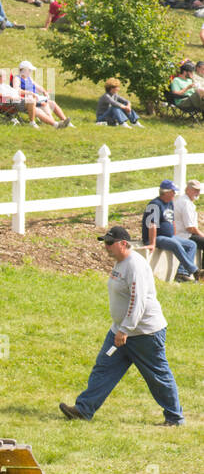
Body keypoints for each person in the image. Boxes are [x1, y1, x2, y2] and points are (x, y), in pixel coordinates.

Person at [58, 226, 184, 426]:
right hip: (120, 330)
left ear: (124, 244)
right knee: (103, 368)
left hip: (144, 333)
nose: (106, 247)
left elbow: (138, 301)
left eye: (110, 243)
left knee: (157, 376)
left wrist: (125, 329)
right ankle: (83, 410)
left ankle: (175, 418)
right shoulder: (120, 263)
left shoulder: (135, 265)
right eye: (105, 243)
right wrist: (120, 328)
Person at [142, 180, 198, 282]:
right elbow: (152, 225)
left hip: (169, 236)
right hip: (156, 237)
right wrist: (152, 243)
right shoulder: (155, 204)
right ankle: (195, 271)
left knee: (191, 244)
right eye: (173, 191)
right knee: (174, 244)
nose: (174, 194)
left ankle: (182, 273)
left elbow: (172, 221)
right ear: (166, 192)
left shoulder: (170, 203)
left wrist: (174, 234)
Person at [15, 61, 69, 126]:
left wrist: (44, 92)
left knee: (52, 103)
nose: (31, 72)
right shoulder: (17, 78)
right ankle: (56, 124)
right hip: (26, 100)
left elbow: (38, 86)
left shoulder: (29, 78)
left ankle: (65, 122)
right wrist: (30, 93)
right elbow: (16, 89)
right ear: (24, 70)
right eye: (29, 70)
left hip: (36, 99)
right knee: (43, 107)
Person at [179, 178, 204, 263]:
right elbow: (190, 228)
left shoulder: (185, 201)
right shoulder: (186, 203)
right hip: (184, 235)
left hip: (185, 233)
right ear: (187, 190)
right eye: (195, 190)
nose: (197, 193)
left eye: (198, 190)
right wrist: (202, 234)